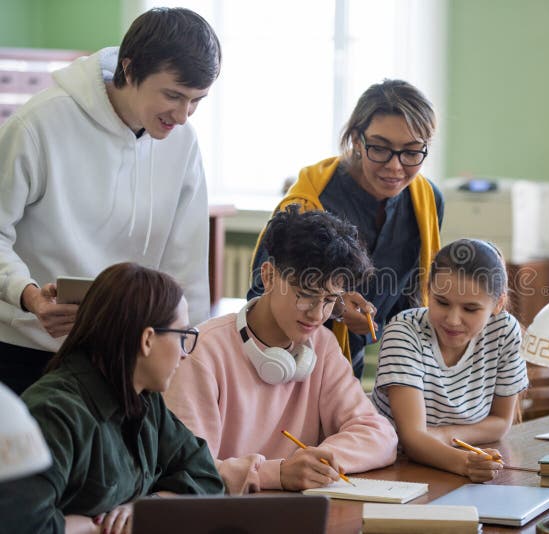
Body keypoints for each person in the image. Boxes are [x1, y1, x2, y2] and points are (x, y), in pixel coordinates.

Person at [0, 7, 221, 395]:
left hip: (121, 359)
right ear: (130, 69)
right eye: (173, 95)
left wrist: (188, 351)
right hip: (27, 351)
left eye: (196, 100)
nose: (184, 116)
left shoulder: (183, 144)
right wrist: (29, 295)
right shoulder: (37, 126)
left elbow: (185, 265)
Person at [165, 207, 398, 494]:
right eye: (305, 295)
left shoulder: (322, 346)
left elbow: (380, 436)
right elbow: (187, 469)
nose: (316, 314)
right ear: (269, 276)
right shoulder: (202, 352)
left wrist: (318, 462)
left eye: (329, 300)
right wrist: (277, 473)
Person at [0, 262, 224, 534]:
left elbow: (207, 478)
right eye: (182, 336)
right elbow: (23, 526)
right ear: (148, 340)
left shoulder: (145, 398)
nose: (184, 353)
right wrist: (95, 527)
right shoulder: (54, 413)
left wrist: (142, 508)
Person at [247, 79, 443, 378]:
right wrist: (336, 306)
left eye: (412, 151)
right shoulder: (309, 202)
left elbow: (408, 297)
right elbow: (263, 295)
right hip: (289, 362)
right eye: (380, 148)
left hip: (350, 368)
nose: (395, 166)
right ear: (356, 139)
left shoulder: (426, 203)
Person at [371, 239, 528, 483]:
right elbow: (411, 439)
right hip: (397, 469)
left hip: (460, 463)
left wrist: (444, 436)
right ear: (428, 291)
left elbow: (500, 423)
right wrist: (465, 462)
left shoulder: (505, 330)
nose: (453, 320)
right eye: (442, 302)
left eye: (470, 309)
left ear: (497, 304)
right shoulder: (403, 332)